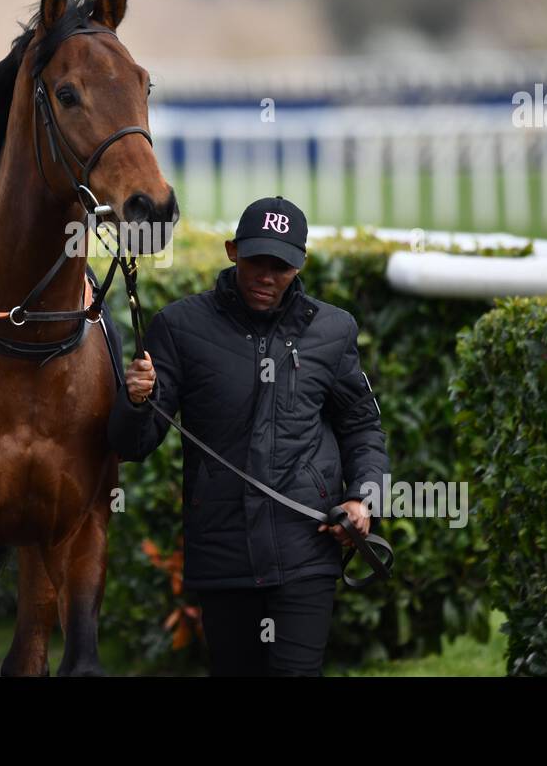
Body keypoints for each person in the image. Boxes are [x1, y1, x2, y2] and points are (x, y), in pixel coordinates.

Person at [108, 195, 390, 676]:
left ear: (299, 265)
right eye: (257, 259)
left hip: (308, 550)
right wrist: (135, 402)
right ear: (232, 250)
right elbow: (133, 445)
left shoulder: (334, 330)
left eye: (280, 265)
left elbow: (362, 426)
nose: (267, 276)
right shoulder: (178, 327)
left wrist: (365, 499)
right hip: (223, 558)